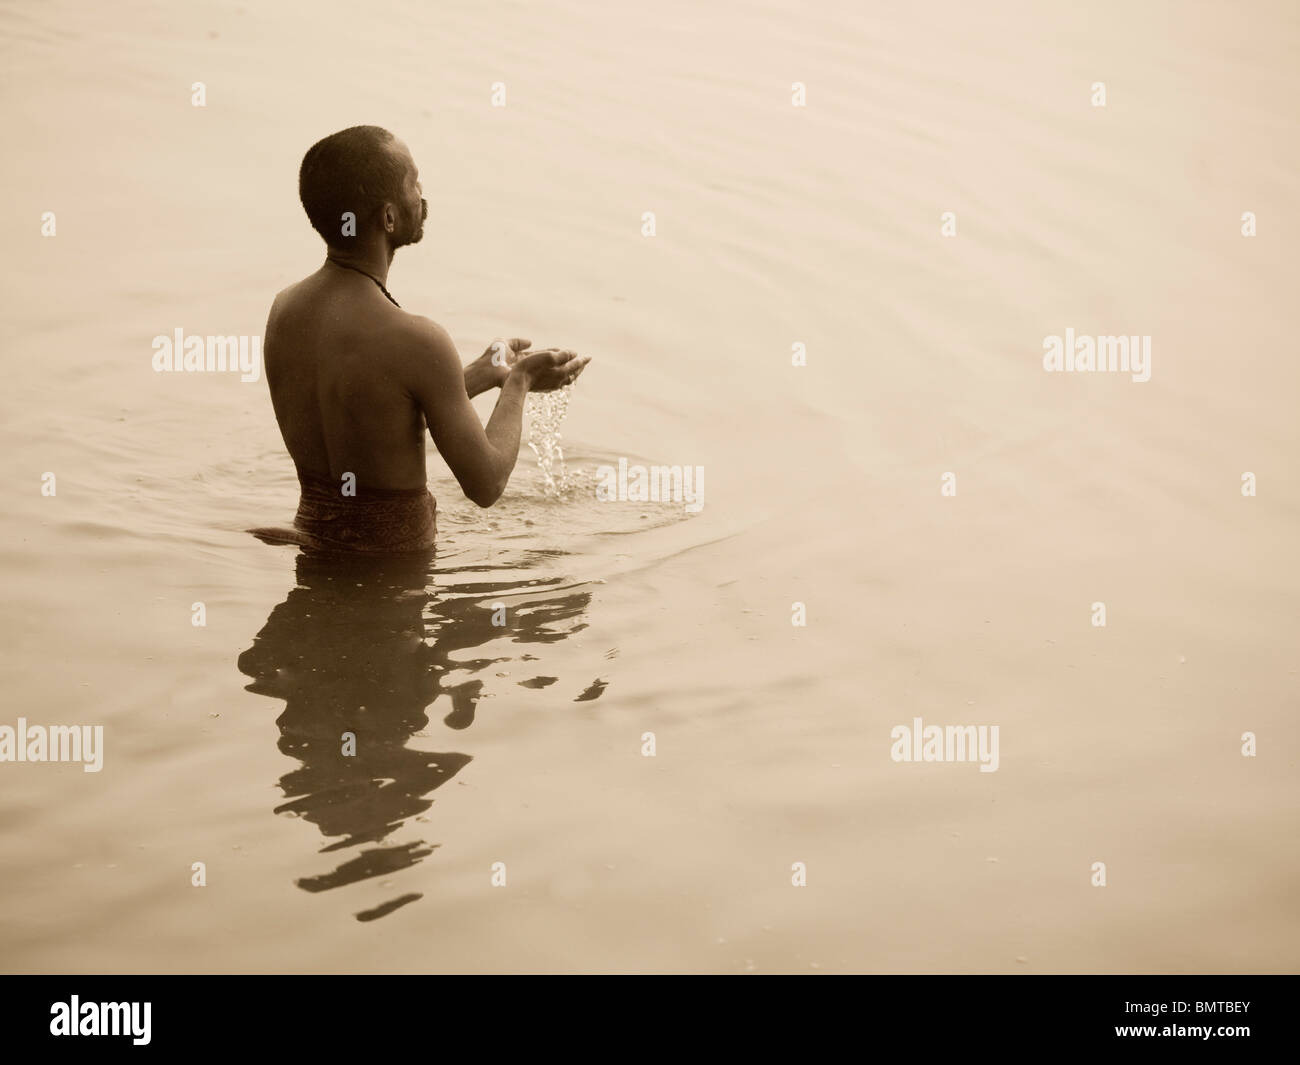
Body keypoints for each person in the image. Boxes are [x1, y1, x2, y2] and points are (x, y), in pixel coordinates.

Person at [251, 125, 589, 554]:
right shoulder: (419, 340)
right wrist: (519, 382)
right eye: (414, 184)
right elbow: (486, 484)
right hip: (394, 575)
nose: (423, 197)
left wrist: (481, 375)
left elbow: (382, 417)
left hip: (315, 550)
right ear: (388, 218)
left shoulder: (285, 311)